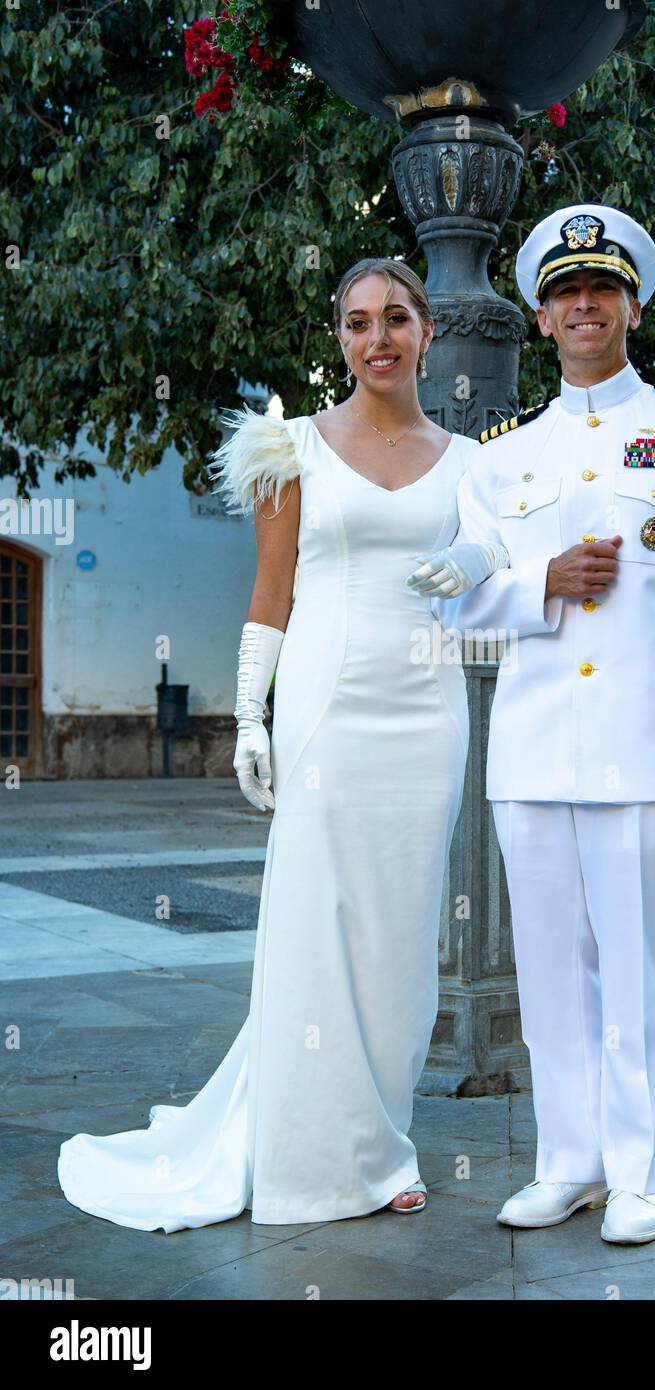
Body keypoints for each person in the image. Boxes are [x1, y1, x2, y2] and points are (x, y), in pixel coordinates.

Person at [56, 258, 507, 1231]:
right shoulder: (289, 446)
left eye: (395, 317)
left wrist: (475, 553)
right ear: (339, 338)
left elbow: (502, 551)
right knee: (318, 924)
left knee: (400, 938)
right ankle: (309, 1162)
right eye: (356, 322)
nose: (376, 337)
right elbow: (270, 593)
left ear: (427, 332)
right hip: (326, 711)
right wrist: (249, 718)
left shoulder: (471, 462)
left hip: (428, 716)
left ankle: (382, 1146)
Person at [409, 203, 655, 1244]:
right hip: (532, 749)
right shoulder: (500, 459)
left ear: (632, 304)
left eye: (600, 288)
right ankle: (568, 1161)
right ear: (540, 311)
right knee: (551, 971)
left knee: (633, 968)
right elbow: (452, 599)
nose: (583, 304)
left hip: (652, 750)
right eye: (565, 292)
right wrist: (538, 583)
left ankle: (637, 1170)